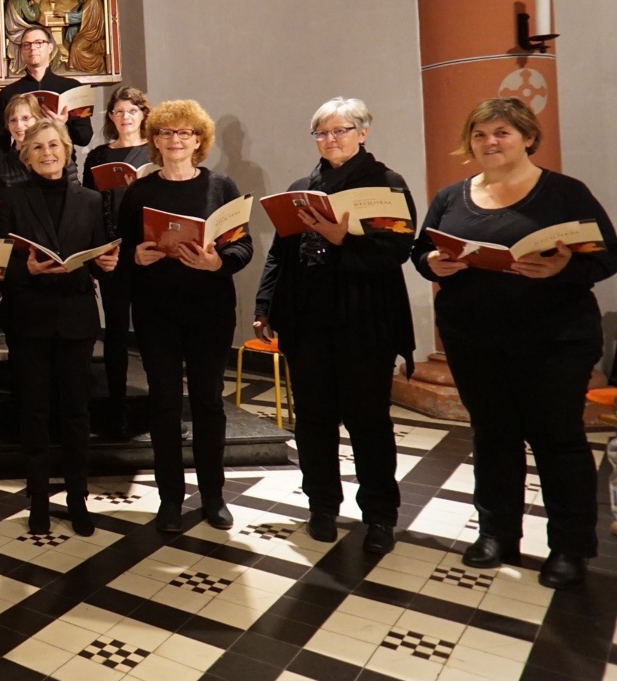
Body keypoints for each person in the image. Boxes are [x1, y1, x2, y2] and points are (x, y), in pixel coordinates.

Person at [412, 97, 617, 590]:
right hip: (473, 338)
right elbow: (423, 251)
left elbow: (607, 257)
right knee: (493, 435)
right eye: (480, 135)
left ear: (527, 136)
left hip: (553, 340)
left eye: (501, 132)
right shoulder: (451, 196)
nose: (489, 143)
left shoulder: (565, 194)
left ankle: (570, 546)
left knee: (557, 440)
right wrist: (432, 264)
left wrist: (564, 266)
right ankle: (497, 533)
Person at [253, 98, 414, 555]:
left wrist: (343, 242)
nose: (331, 140)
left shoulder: (386, 184)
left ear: (363, 132)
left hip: (364, 320)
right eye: (322, 133)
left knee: (368, 422)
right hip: (308, 321)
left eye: (340, 131)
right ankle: (321, 505)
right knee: (314, 420)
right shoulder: (301, 187)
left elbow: (396, 251)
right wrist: (265, 303)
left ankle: (380, 515)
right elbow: (279, 253)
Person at [117, 100, 253, 533]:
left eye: (184, 133)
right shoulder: (140, 191)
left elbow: (242, 246)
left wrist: (218, 263)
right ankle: (170, 498)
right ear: (154, 140)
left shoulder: (221, 186)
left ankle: (212, 494)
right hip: (157, 311)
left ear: (199, 140)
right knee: (164, 404)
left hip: (209, 311)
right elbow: (119, 249)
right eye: (166, 133)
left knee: (209, 404)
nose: (175, 140)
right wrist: (133, 256)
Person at [0, 121, 118, 535]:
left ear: (67, 150)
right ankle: (38, 501)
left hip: (75, 316)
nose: (47, 153)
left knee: (75, 412)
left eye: (54, 145)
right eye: (38, 147)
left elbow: (101, 252)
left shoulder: (89, 199)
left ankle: (77, 497)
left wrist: (107, 264)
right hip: (28, 315)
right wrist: (23, 268)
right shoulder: (13, 199)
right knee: (33, 411)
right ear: (26, 156)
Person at [81, 85, 153, 438]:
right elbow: (88, 208)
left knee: (154, 330)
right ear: (110, 117)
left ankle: (158, 407)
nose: (125, 118)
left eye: (132, 111)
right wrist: (96, 255)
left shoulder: (155, 153)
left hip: (149, 253)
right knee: (115, 334)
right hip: (112, 253)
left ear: (143, 115)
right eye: (118, 112)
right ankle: (117, 404)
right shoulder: (97, 156)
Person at [0, 25, 95, 151]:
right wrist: (1, 169)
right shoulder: (8, 92)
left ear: (50, 47)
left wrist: (62, 125)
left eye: (39, 43)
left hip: (60, 164)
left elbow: (85, 138)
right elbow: (0, 140)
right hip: (21, 163)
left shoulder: (73, 87)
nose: (32, 48)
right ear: (21, 51)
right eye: (26, 44)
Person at [0, 93, 45, 236]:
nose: (19, 126)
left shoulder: (55, 159)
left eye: (25, 118)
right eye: (13, 120)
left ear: (38, 120)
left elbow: (74, 204)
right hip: (15, 244)